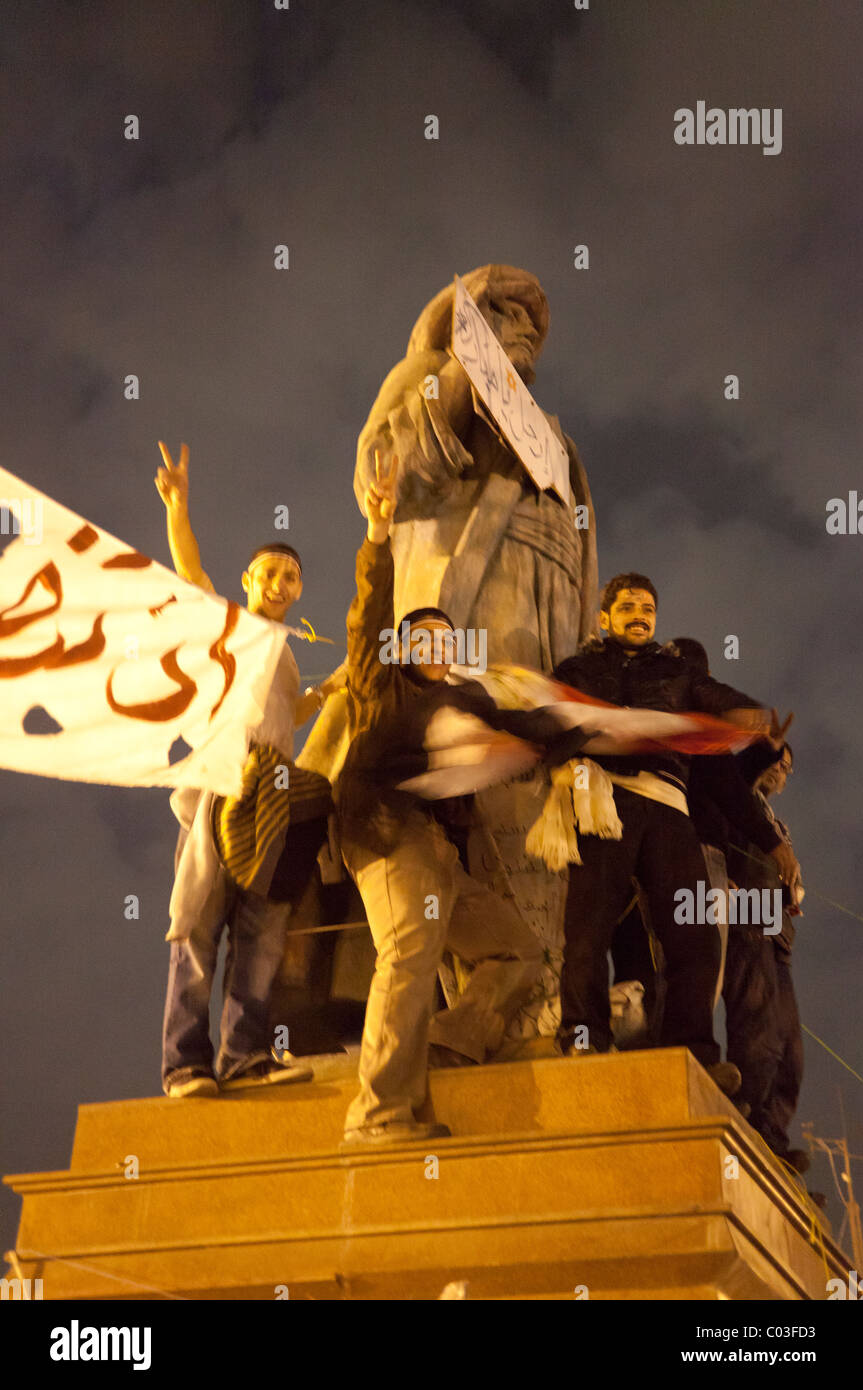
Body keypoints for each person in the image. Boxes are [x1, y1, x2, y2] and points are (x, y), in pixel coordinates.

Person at [303, 265, 598, 1038]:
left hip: (544, 620)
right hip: (462, 606)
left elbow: (583, 548)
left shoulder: (556, 437)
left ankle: (534, 1001)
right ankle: (488, 1014)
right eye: (506, 317)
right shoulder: (428, 379)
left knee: (535, 794)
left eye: (534, 325)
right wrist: (467, 364)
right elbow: (390, 465)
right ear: (469, 324)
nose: (526, 332)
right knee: (472, 792)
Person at [338, 452, 584, 1148]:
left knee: (516, 952)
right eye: (424, 637)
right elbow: (367, 615)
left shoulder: (462, 706)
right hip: (391, 837)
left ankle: (446, 1044)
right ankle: (377, 1113)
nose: (437, 646)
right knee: (408, 958)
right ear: (403, 644)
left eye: (446, 639)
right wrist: (378, 537)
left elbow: (518, 737)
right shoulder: (379, 687)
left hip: (447, 858)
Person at [154, 441, 344, 1098]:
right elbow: (188, 569)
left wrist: (326, 694)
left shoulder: (288, 657)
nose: (281, 584)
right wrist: (179, 506)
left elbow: (281, 721)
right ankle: (183, 1064)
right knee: (198, 927)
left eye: (291, 577)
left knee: (262, 938)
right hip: (217, 794)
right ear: (247, 581)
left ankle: (242, 1055)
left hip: (274, 801)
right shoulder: (226, 625)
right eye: (269, 572)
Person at [553, 574, 774, 1095]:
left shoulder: (677, 672)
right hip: (602, 804)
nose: (639, 614)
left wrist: (751, 716)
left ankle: (694, 1051)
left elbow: (720, 699)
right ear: (604, 618)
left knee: (695, 937)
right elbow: (544, 715)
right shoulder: (578, 669)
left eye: (648, 608)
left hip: (668, 808)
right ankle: (583, 1036)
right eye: (627, 605)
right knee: (587, 931)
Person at [724, 742, 808, 1169]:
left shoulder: (775, 821)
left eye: (790, 769)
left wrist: (789, 896)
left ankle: (772, 1134)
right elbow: (746, 765)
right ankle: (747, 1119)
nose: (784, 772)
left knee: (791, 1049)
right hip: (744, 920)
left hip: (778, 934)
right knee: (758, 1032)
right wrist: (767, 744)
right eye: (781, 762)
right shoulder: (736, 798)